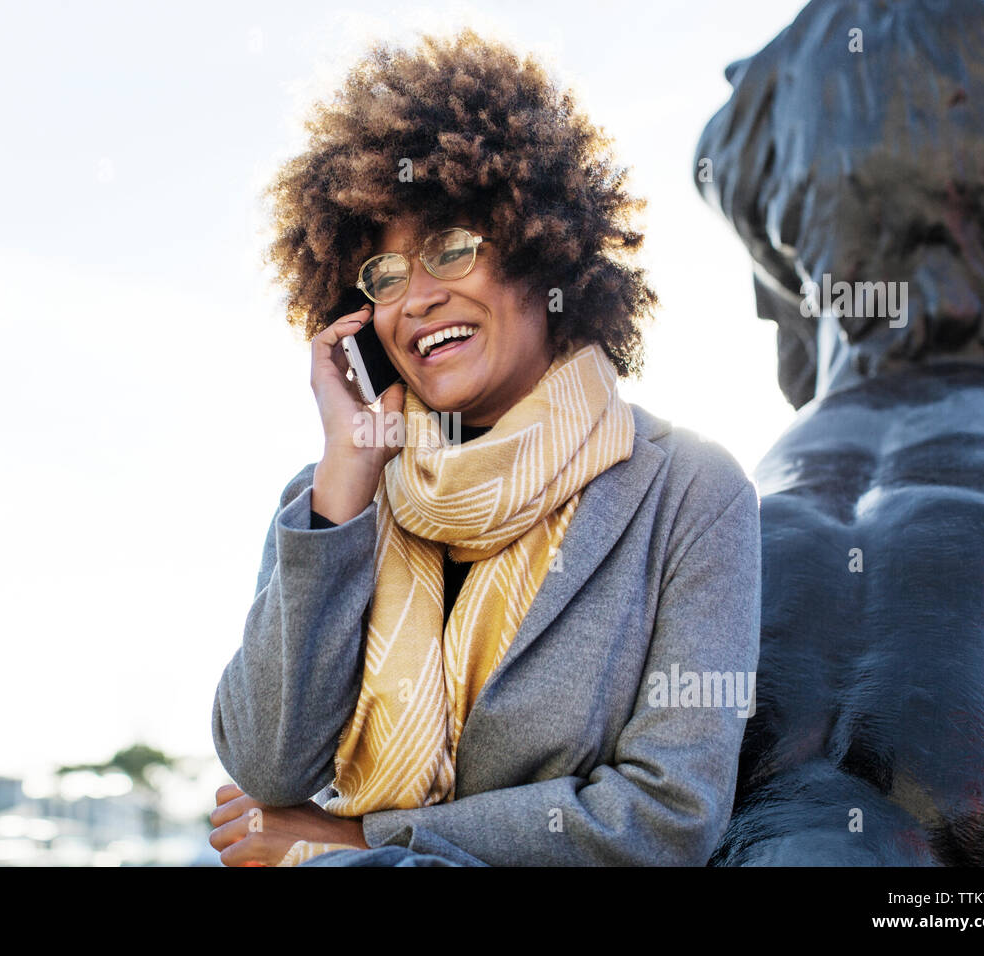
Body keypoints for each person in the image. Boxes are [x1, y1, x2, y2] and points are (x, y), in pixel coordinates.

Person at [209, 28, 761, 867]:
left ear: (542, 245)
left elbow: (666, 815)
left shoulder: (686, 488)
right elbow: (268, 765)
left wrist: (364, 839)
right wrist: (348, 478)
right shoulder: (335, 494)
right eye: (383, 277)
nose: (418, 298)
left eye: (450, 248)